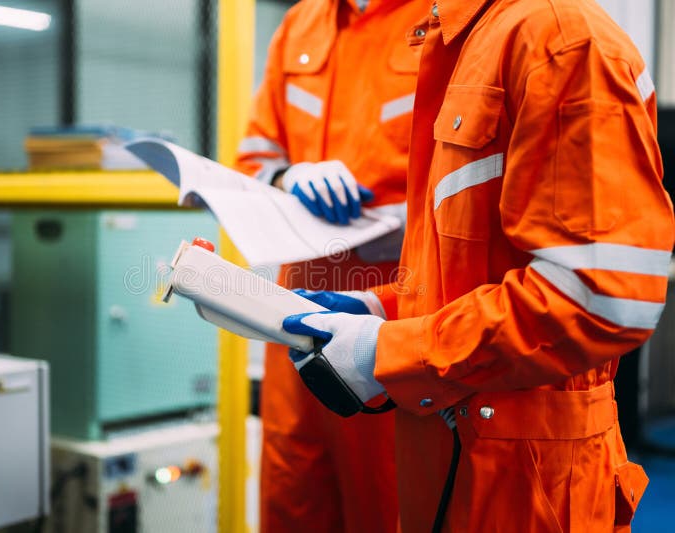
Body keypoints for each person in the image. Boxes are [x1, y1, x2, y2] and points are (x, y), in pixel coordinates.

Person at [283, 0, 675, 531]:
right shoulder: (465, 40)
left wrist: (395, 348)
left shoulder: (560, 40)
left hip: (528, 485)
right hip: (463, 459)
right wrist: (382, 309)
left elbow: (601, 296)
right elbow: (480, 264)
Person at [234, 0, 430, 531]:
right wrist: (288, 176)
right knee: (293, 489)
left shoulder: (443, 18)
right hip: (295, 314)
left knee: (388, 500)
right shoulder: (302, 22)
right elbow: (254, 158)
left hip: (393, 317)